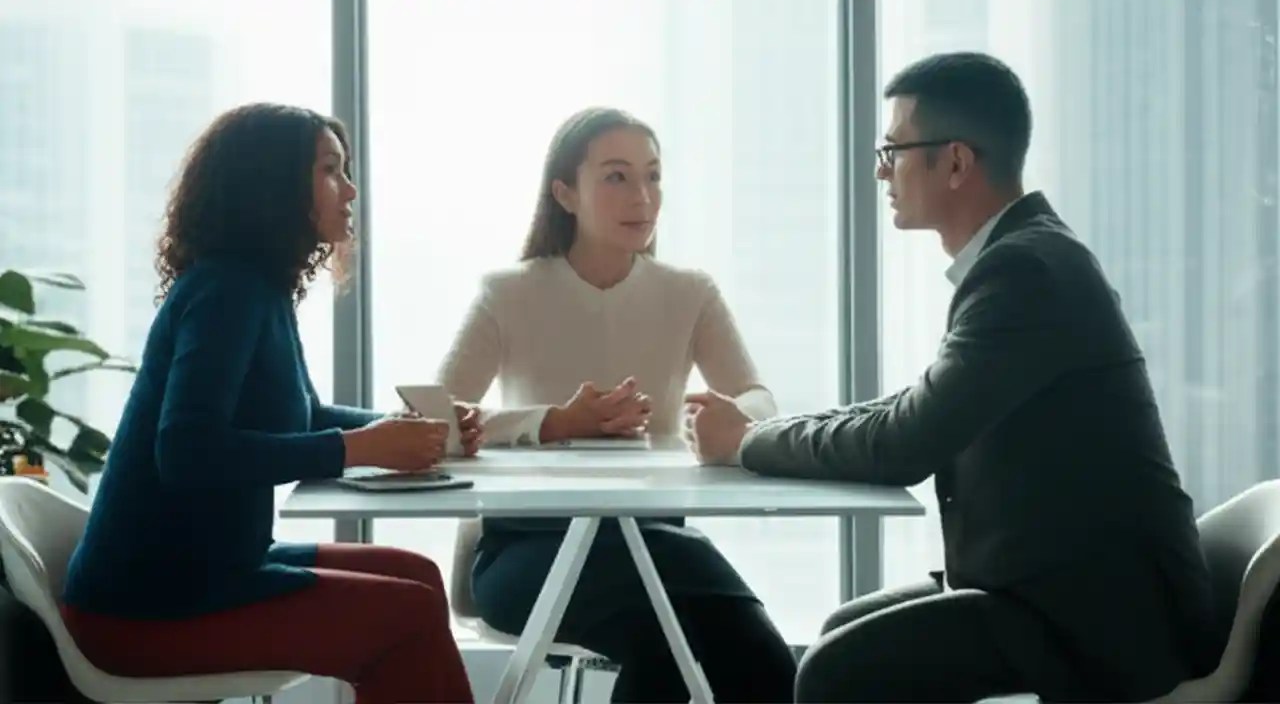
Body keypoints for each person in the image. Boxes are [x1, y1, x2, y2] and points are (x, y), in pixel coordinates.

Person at [685, 52, 1219, 702]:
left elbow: (904, 442)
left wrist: (744, 443)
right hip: (1053, 590)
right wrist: (761, 430)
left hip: (1100, 619)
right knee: (841, 634)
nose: (881, 170)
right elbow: (913, 408)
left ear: (957, 162)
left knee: (835, 673)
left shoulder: (1025, 274)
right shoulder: (1021, 257)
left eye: (893, 149)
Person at [60, 103, 478, 704]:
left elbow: (303, 416)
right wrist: (356, 449)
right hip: (147, 609)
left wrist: (413, 432)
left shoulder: (259, 287)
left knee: (417, 576)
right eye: (331, 170)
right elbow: (186, 452)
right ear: (274, 185)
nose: (351, 189)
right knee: (407, 614)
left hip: (211, 572)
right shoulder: (226, 291)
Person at [438, 107, 796, 703]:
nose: (643, 196)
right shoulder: (508, 292)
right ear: (565, 193)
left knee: (746, 656)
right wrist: (553, 424)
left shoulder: (689, 292)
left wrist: (725, 417)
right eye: (616, 177)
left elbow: (759, 397)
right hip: (527, 550)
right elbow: (435, 420)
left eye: (653, 176)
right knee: (686, 648)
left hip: (653, 540)